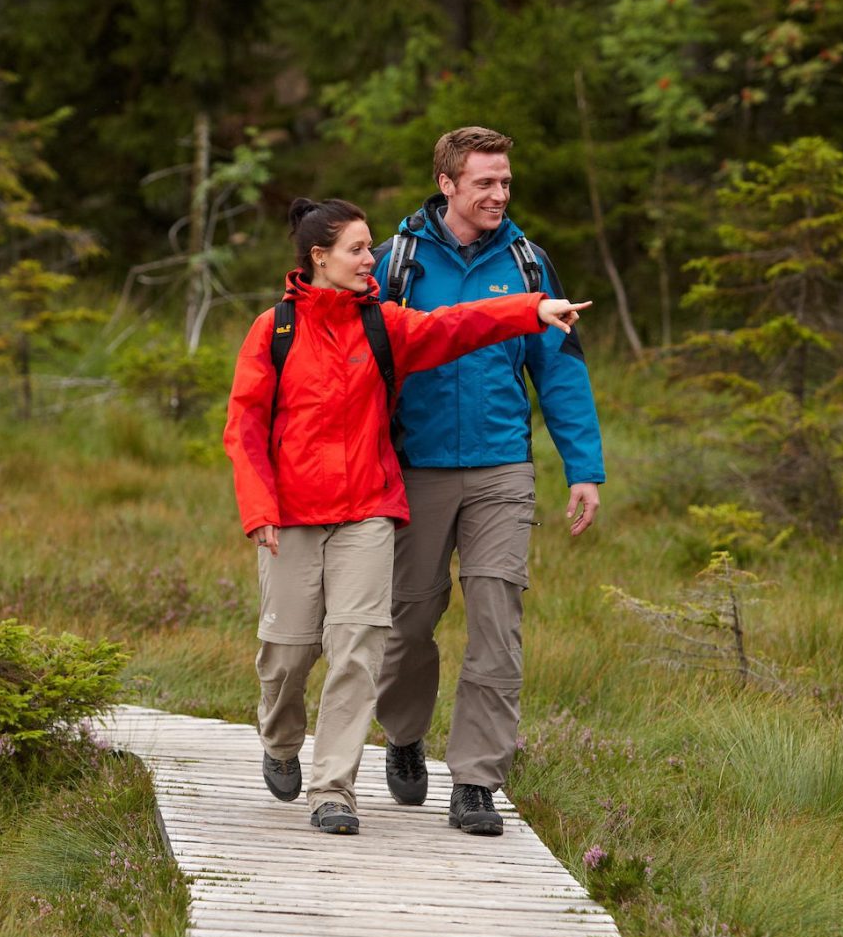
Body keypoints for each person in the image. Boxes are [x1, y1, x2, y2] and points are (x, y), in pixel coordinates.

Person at [223, 197, 589, 835]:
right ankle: (279, 739)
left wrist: (529, 309)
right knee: (288, 653)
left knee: (357, 648)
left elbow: (456, 325)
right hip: (292, 514)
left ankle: (333, 790)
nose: (373, 260)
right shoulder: (274, 329)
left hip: (368, 508)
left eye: (371, 247)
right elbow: (245, 426)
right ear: (320, 258)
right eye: (358, 249)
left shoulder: (383, 324)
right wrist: (259, 508)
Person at [373, 126, 605, 838]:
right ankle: (404, 733)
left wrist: (583, 469)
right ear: (447, 184)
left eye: (505, 182)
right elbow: (359, 361)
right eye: (484, 182)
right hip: (415, 467)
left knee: (497, 623)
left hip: (503, 467)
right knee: (409, 618)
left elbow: (560, 367)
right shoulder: (397, 262)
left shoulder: (528, 262)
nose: (499, 194)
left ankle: (476, 780)